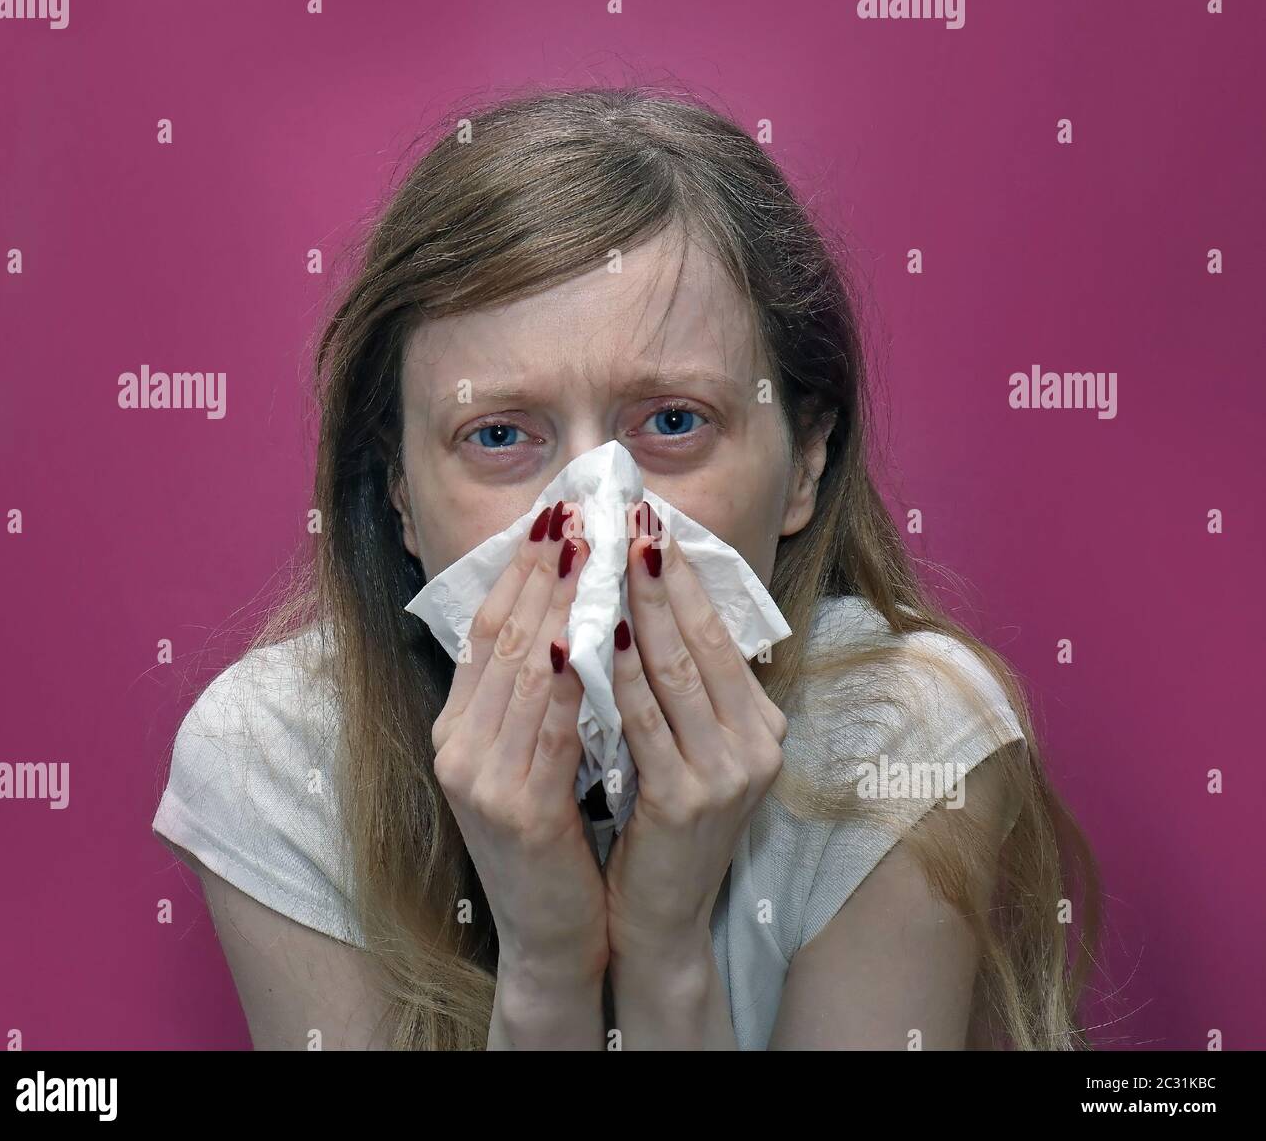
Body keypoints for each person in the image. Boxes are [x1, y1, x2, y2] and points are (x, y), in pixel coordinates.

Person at [151, 85, 1101, 1050]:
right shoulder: (278, 756)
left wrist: (665, 951)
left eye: (674, 421)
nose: (597, 505)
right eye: (500, 433)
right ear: (399, 491)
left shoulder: (905, 738)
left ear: (806, 461)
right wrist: (548, 965)